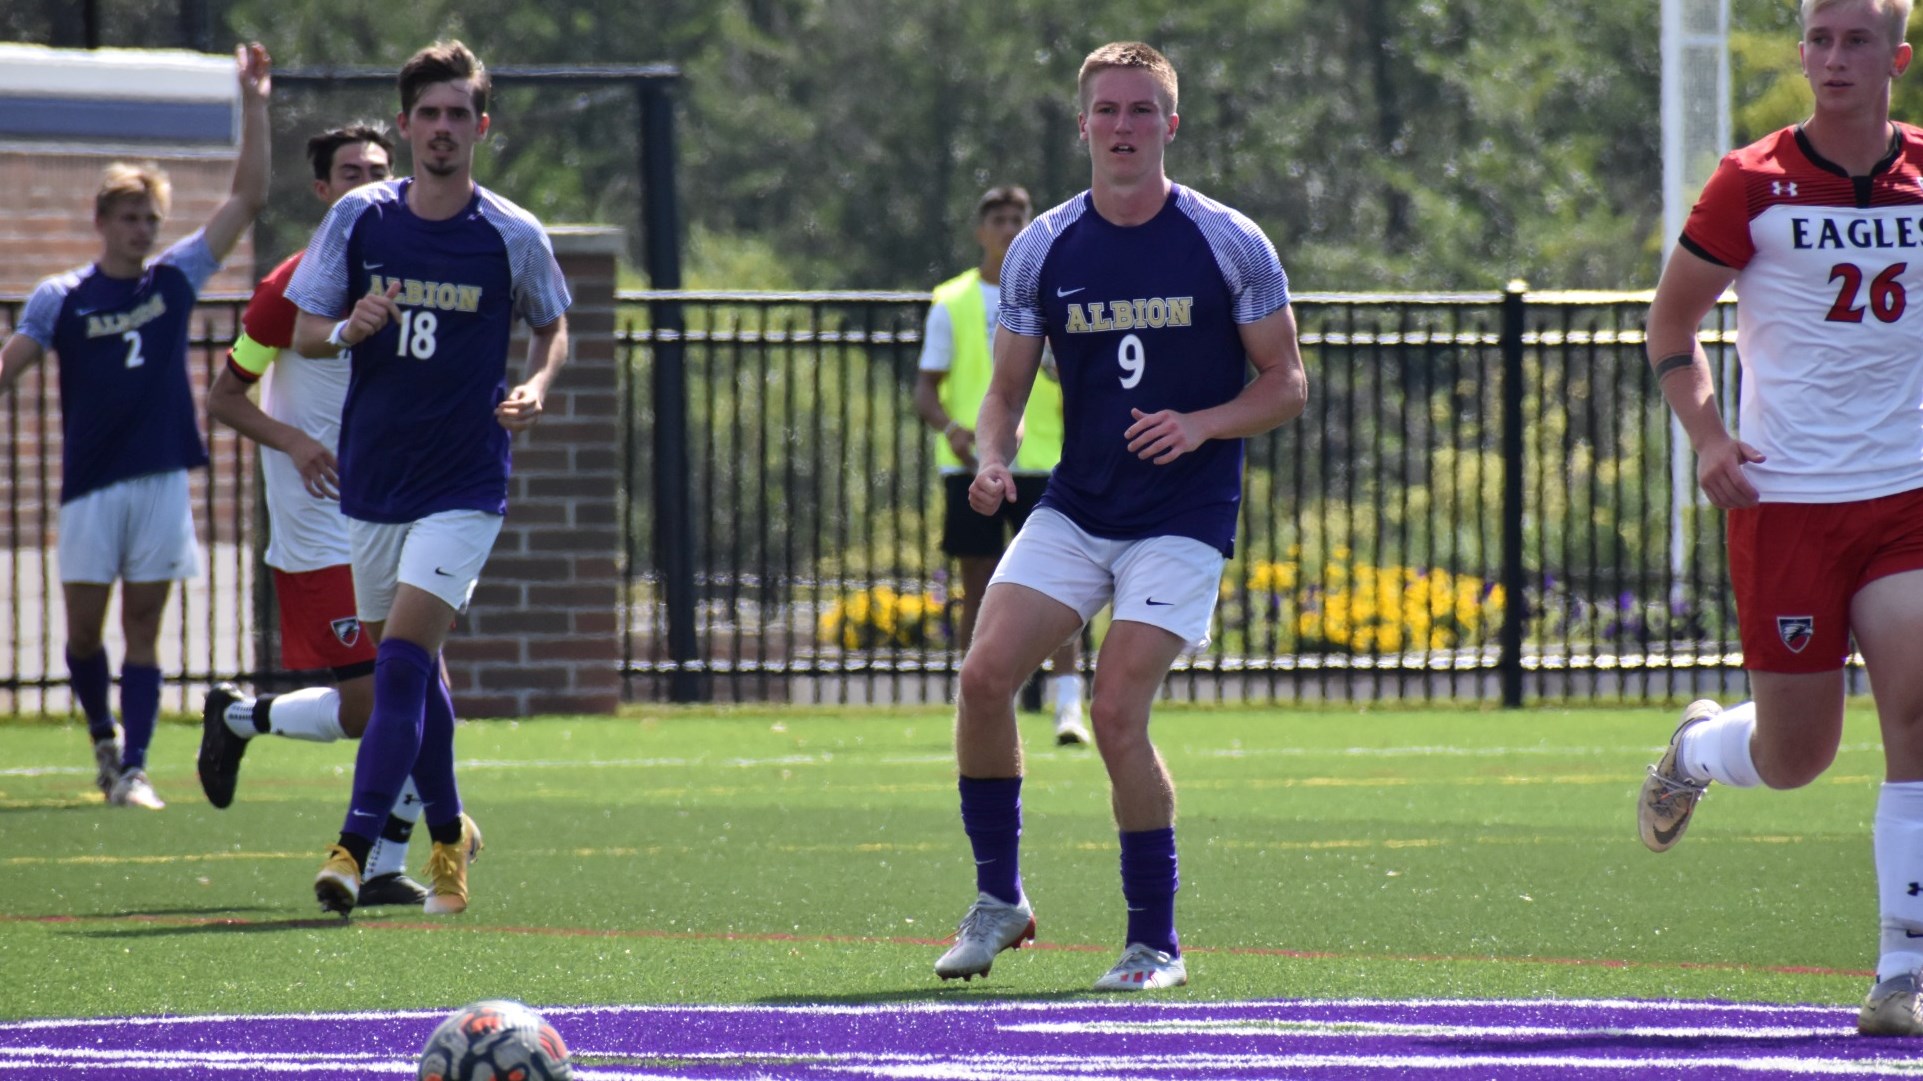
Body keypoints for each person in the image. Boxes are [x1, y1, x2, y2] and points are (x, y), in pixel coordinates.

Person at [932, 41, 1306, 991]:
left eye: (1142, 110)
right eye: (1107, 110)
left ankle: (1153, 943)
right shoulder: (1043, 246)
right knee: (982, 679)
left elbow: (1287, 384)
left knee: (1111, 707)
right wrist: (989, 458)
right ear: (1082, 124)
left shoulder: (1228, 239)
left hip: (1183, 512)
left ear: (1170, 125)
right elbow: (1006, 392)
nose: (1124, 127)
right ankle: (998, 900)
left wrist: (1200, 423)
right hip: (1079, 504)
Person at [1635, 0, 1923, 1037]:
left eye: (1856, 41)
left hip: (1907, 498)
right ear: (1802, 52)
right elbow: (1672, 321)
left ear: (1896, 58)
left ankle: (1902, 972)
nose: (1832, 58)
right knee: (1799, 755)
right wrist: (1710, 438)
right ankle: (1700, 750)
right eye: (1818, 39)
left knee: (1918, 711)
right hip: (1788, 499)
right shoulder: (1750, 182)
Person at [284, 40, 571, 917]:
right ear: (406, 126)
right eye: (428, 115)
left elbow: (554, 327)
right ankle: (448, 833)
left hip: (465, 483)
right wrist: (349, 327)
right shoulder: (362, 220)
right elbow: (303, 330)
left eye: (459, 115)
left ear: (481, 128)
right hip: (375, 480)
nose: (443, 130)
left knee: (400, 666)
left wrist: (534, 384)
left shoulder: (511, 233)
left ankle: (353, 844)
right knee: (415, 671)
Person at [0, 44, 273, 811]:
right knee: (85, 633)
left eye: (151, 219)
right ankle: (103, 739)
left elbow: (246, 199)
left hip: (158, 478)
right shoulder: (63, 296)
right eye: (129, 218)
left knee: (145, 627)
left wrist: (253, 101)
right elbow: (10, 366)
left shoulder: (174, 279)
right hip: (90, 484)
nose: (142, 230)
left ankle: (137, 768)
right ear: (102, 220)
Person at [197, 123, 437, 907]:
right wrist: (298, 441)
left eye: (378, 170)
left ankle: (384, 862)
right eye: (349, 171)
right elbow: (227, 396)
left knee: (416, 678)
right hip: (321, 518)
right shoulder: (290, 288)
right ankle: (242, 715)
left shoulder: (408, 272)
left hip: (396, 504)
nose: (366, 182)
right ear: (325, 191)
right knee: (373, 701)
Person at [915, 185, 1091, 746]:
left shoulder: (1059, 292)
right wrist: (954, 432)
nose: (1009, 227)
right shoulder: (953, 300)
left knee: (1062, 588)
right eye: (998, 218)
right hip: (974, 467)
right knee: (979, 585)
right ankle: (982, 702)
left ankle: (1068, 707)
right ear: (980, 231)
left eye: (1019, 217)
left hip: (1046, 461)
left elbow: (1082, 379)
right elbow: (925, 390)